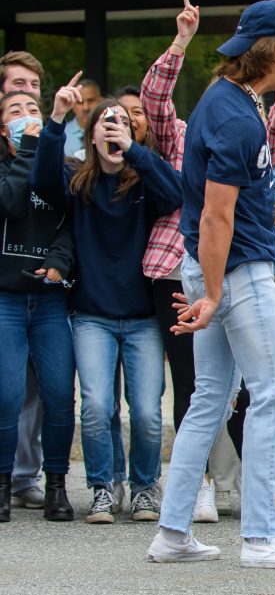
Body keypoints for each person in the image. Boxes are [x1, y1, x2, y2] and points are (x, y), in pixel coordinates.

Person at [147, 0, 275, 569]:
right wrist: (217, 292)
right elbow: (218, 215)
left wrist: (208, 285)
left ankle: (172, 533)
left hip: (221, 268)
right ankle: (261, 538)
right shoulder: (234, 115)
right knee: (272, 393)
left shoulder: (236, 100)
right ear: (270, 47)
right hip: (240, 270)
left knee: (209, 400)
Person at [32, 75, 182, 525]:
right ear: (91, 130)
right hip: (93, 315)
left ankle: (143, 489)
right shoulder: (77, 181)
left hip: (142, 318)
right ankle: (102, 486)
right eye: (104, 121)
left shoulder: (143, 179)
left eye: (121, 121)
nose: (112, 127)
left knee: (148, 413)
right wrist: (56, 118)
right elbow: (42, 181)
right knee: (97, 407)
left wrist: (134, 150)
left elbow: (175, 194)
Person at [0, 90, 75, 523]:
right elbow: (10, 201)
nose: (25, 116)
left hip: (48, 301)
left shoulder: (56, 166)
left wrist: (57, 262)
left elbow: (67, 218)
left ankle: (57, 485)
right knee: (7, 397)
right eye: (14, 111)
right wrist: (26, 147)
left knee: (60, 395)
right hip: (7, 298)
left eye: (32, 109)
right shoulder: (9, 163)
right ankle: (4, 484)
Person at [0, 50, 47, 511]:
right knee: (6, 386)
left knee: (34, 390)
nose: (27, 98)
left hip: (39, 289)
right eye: (16, 89)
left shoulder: (55, 152)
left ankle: (24, 475)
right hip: (3, 288)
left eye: (33, 90)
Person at [64, 79, 102, 158]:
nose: (86, 108)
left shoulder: (110, 132)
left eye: (90, 101)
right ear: (72, 106)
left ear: (100, 102)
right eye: (80, 102)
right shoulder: (61, 134)